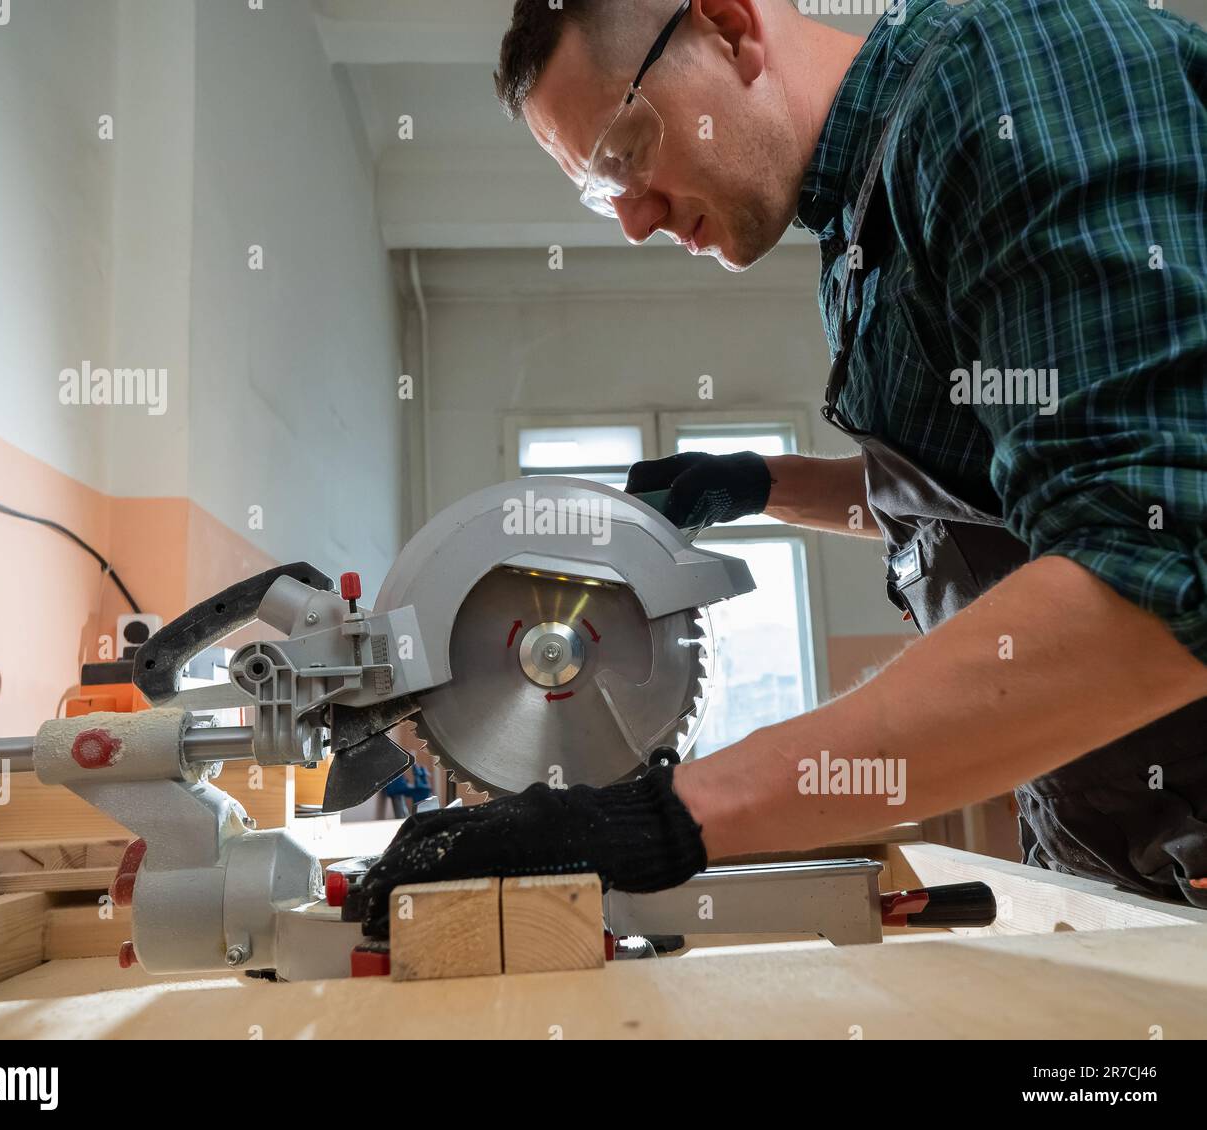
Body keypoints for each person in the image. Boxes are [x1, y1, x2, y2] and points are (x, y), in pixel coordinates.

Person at [361, 0, 1207, 935]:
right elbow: (989, 506)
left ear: (728, 26)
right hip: (1119, 858)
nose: (634, 222)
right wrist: (767, 484)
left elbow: (1157, 572)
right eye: (602, 194)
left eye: (626, 153)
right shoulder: (855, 229)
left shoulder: (1017, 75)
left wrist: (672, 816)